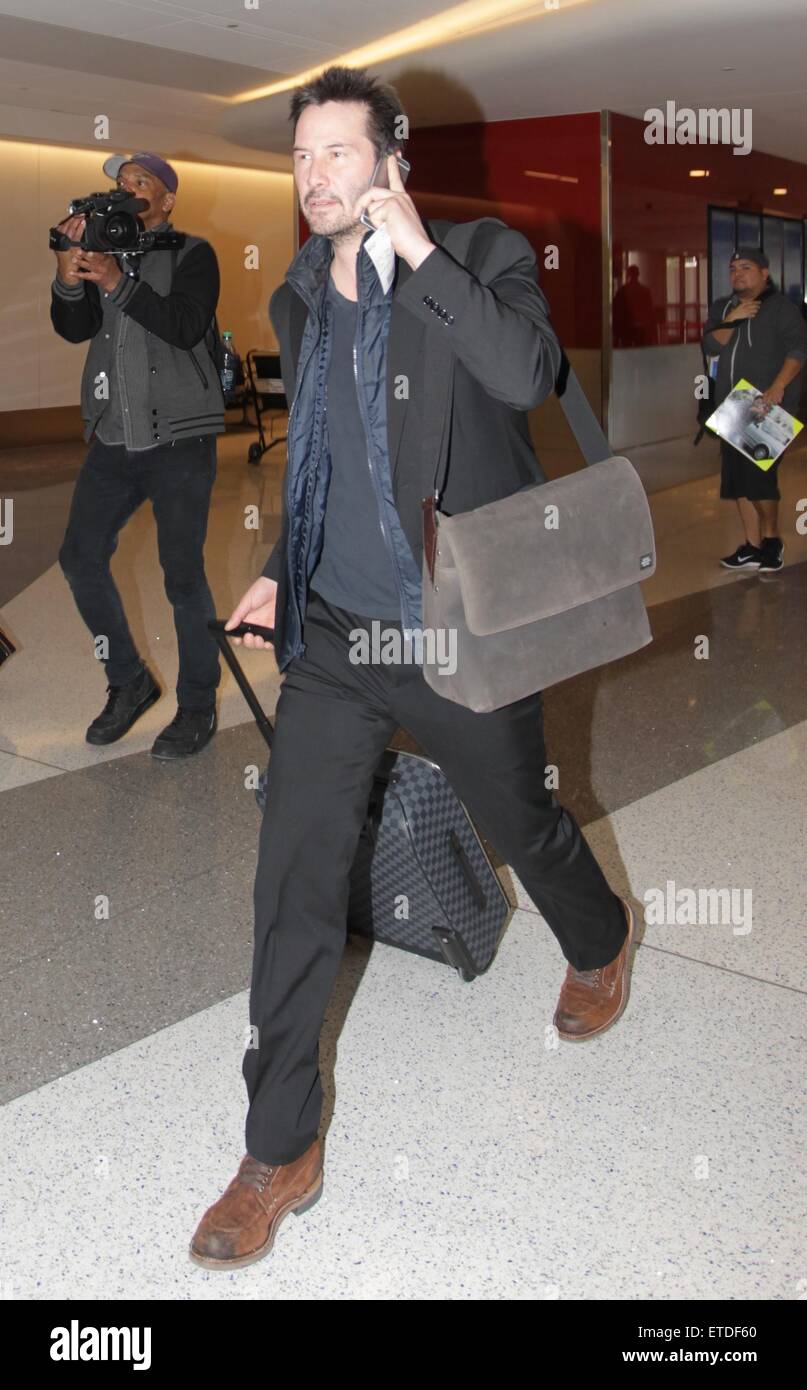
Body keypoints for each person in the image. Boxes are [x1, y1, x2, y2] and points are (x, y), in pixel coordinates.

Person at [190, 66, 636, 1270]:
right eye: (301, 158)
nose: (314, 175)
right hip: (336, 639)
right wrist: (286, 561)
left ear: (389, 154)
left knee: (528, 822)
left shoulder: (484, 253)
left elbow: (525, 378)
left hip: (455, 630)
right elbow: (327, 451)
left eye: (337, 152)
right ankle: (279, 1147)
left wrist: (422, 257)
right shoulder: (297, 296)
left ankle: (599, 938)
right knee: (291, 877)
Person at [52, 152, 223, 757]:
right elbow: (73, 330)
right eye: (120, 183)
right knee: (79, 558)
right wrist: (71, 281)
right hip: (114, 436)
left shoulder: (193, 253)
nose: (126, 190)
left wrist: (116, 282)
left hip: (180, 438)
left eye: (141, 182)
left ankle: (198, 703)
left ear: (169, 199)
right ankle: (128, 681)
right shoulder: (105, 254)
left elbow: (183, 324)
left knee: (182, 578)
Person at [702, 247, 807, 573]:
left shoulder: (781, 308)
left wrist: (778, 387)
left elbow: (798, 349)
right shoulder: (724, 307)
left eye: (745, 267)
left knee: (760, 480)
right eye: (733, 268)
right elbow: (710, 345)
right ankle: (752, 545)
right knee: (736, 483)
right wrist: (731, 320)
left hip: (765, 406)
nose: (737, 274)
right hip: (733, 406)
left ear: (764, 272)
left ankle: (772, 541)